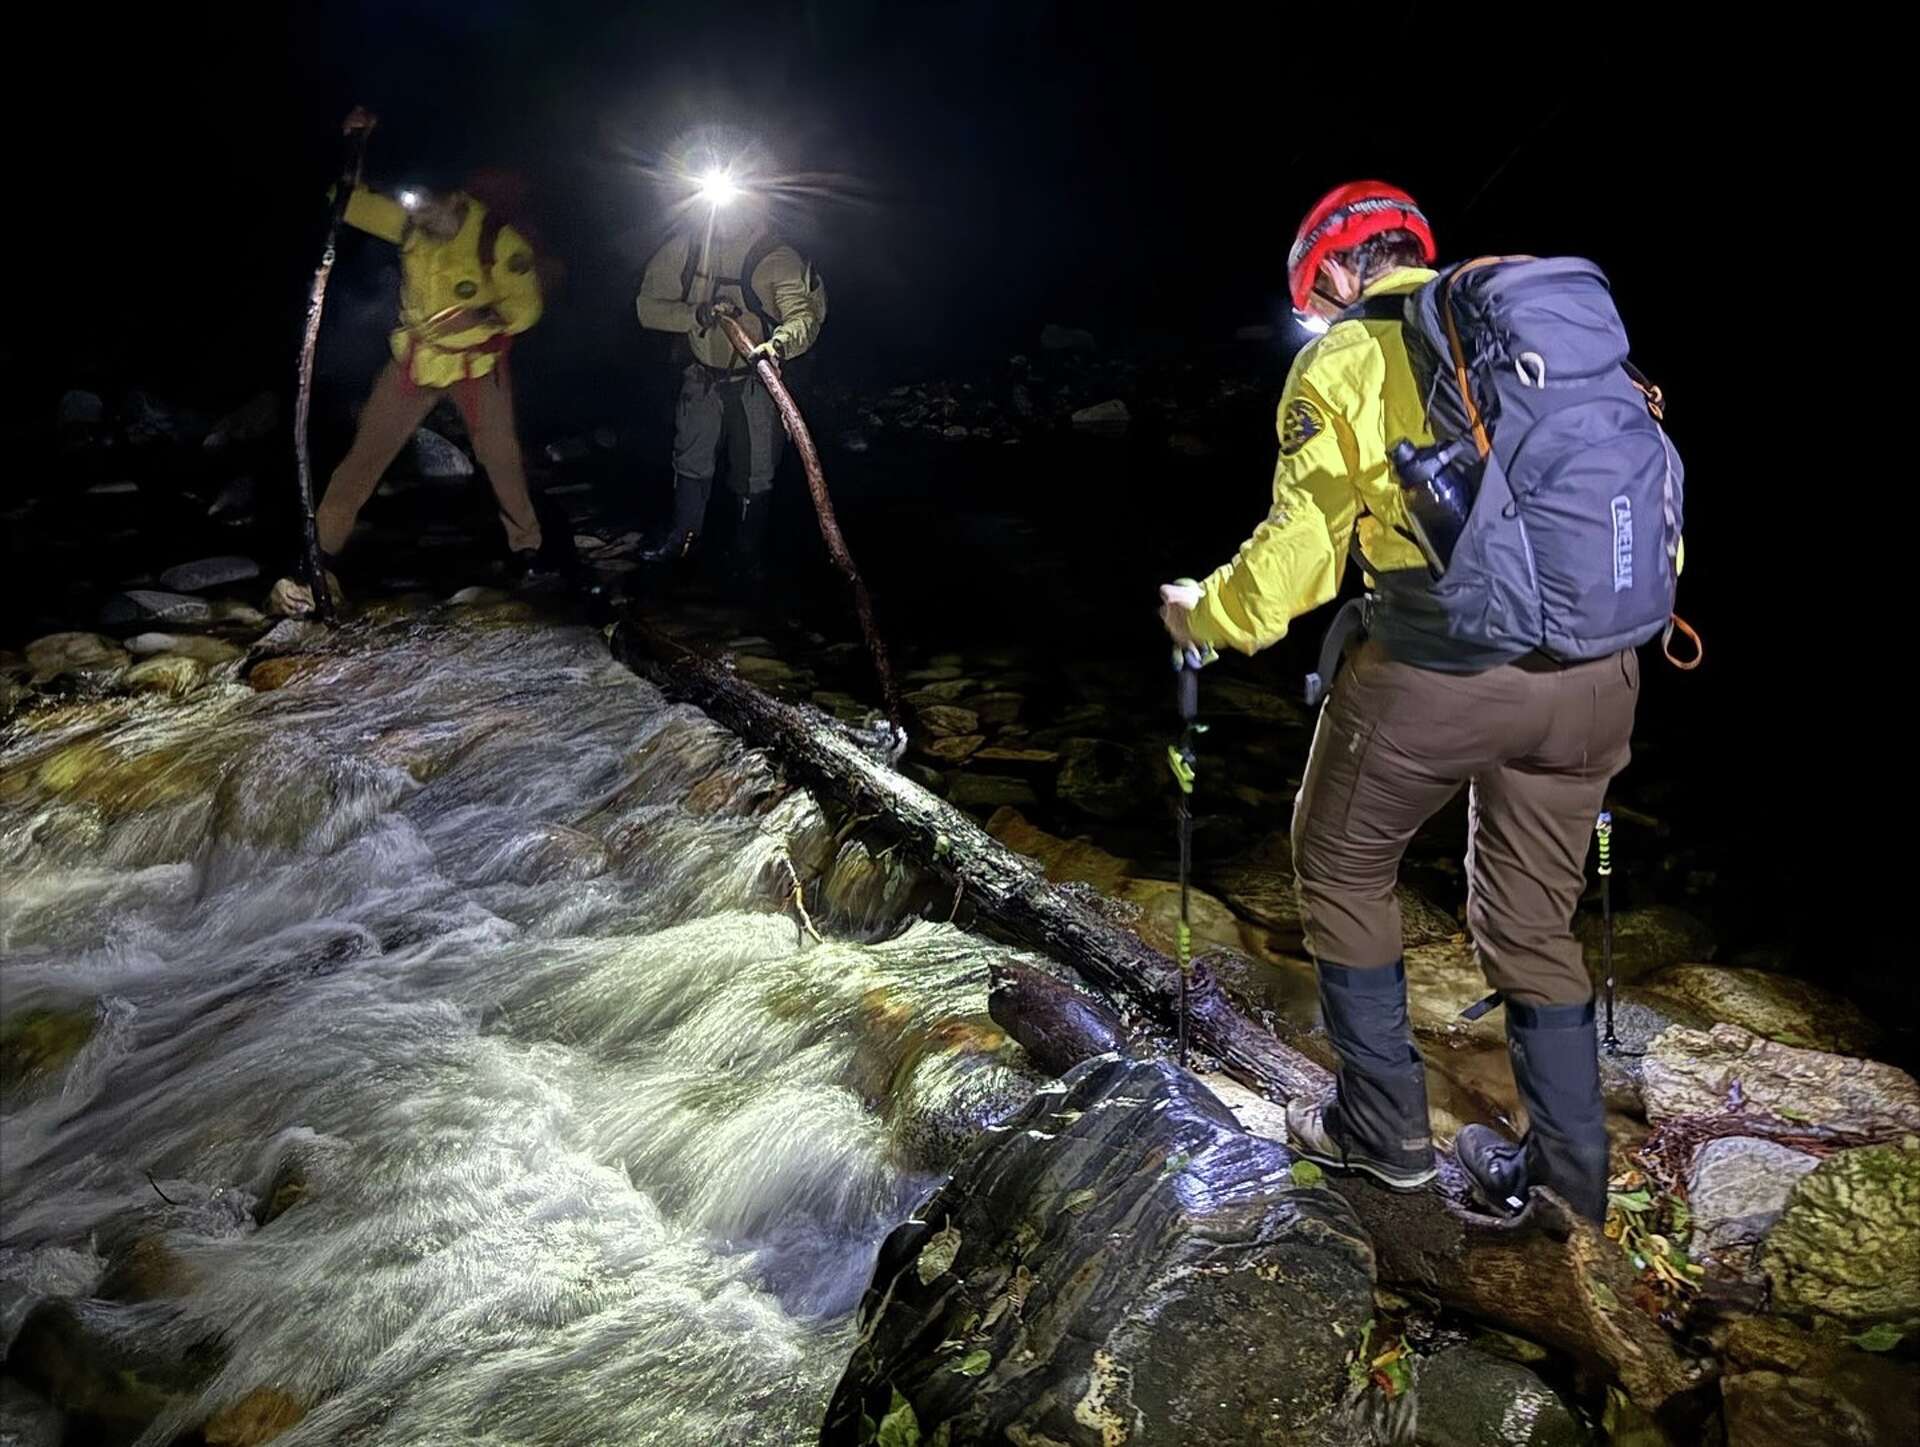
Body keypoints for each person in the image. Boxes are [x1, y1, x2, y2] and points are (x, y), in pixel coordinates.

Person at [1159, 181, 1680, 1225]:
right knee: (1531, 919)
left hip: (1441, 671)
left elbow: (1302, 556)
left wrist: (1203, 616)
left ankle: (1380, 1131)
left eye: (1317, 295)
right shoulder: (1537, 350)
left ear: (1336, 272)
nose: (1318, 312)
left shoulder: (1346, 356)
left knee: (1343, 860)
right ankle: (1571, 1184)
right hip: (1603, 676)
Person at [311, 108, 549, 584]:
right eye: (412, 206)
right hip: (414, 364)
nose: (417, 216)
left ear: (454, 200)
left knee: (500, 459)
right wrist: (354, 143)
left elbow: (526, 309)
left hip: (475, 367)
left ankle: (529, 550)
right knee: (363, 457)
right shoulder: (409, 223)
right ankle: (318, 554)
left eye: (427, 207)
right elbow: (343, 199)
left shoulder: (498, 244)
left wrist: (479, 315)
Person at [633, 185, 826, 579]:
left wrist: (777, 346)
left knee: (756, 468)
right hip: (702, 375)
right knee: (691, 457)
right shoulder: (686, 251)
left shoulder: (775, 258)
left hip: (755, 379)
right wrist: (698, 315)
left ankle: (747, 555)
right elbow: (647, 308)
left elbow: (803, 318)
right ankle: (683, 541)